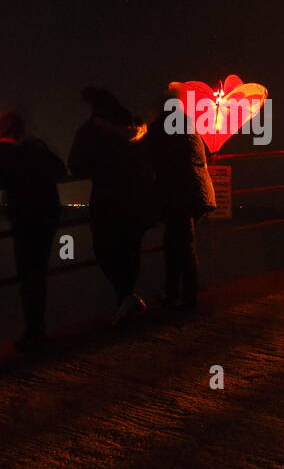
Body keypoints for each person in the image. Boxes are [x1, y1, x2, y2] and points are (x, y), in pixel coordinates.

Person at [67, 87, 157, 326]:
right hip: (139, 198)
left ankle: (125, 297)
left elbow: (75, 165)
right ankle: (127, 299)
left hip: (108, 199)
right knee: (131, 248)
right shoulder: (137, 127)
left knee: (105, 249)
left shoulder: (91, 130)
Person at [0, 111, 67, 351]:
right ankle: (37, 329)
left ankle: (33, 331)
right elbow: (60, 171)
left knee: (28, 275)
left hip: (24, 220)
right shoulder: (37, 148)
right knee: (38, 274)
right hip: (47, 217)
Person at [145, 92, 217, 309]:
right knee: (177, 244)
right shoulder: (189, 125)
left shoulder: (160, 128)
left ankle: (186, 297)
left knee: (181, 246)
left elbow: (146, 155)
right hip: (198, 193)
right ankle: (177, 293)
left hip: (179, 195)